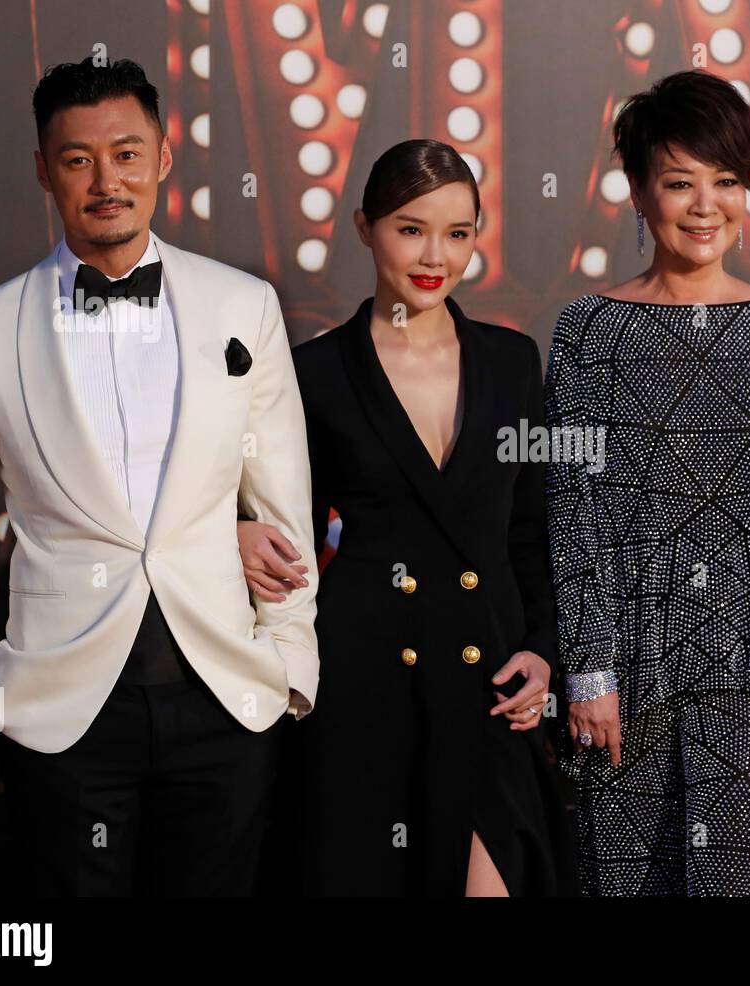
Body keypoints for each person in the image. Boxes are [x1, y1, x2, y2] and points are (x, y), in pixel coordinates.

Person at [0, 56, 319, 894]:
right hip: (60, 709)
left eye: (127, 154)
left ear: (164, 158)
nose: (106, 181)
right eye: (78, 159)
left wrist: (289, 659)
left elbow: (281, 503)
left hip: (225, 697)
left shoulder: (244, 306)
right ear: (43, 172)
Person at [543, 70, 750, 896]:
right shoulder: (591, 332)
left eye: (727, 181)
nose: (706, 206)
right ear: (636, 191)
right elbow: (570, 510)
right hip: (625, 667)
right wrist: (589, 673)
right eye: (680, 182)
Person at [237, 138, 572, 896]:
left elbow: (530, 528)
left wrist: (544, 652)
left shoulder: (512, 360)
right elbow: (282, 526)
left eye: (458, 233)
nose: (435, 256)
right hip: (366, 680)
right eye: (411, 228)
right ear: (365, 227)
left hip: (487, 677)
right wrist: (239, 536)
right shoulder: (314, 374)